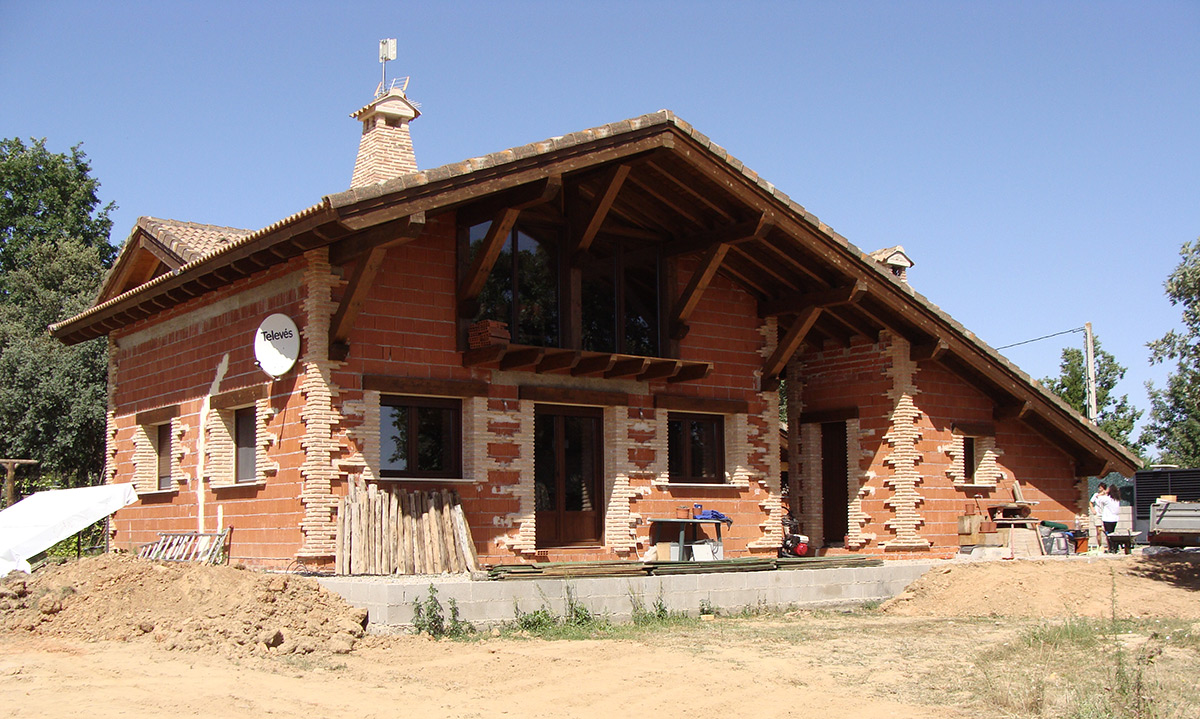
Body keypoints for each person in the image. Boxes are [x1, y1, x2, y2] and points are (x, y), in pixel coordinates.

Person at [1100, 484, 1122, 552]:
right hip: (1114, 519)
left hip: (1107, 519)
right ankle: (1115, 547)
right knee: (1112, 533)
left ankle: (1111, 548)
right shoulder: (1116, 499)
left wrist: (1103, 493)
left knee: (1108, 534)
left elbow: (1099, 499)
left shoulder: (1107, 498)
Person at [1090, 482, 1108, 552]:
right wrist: (1093, 510)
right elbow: (1091, 502)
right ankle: (1099, 545)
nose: (1100, 489)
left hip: (1105, 514)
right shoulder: (1096, 495)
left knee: (1106, 530)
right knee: (1098, 531)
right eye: (1099, 487)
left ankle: (1108, 545)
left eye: (1101, 487)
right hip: (1098, 514)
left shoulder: (1107, 496)